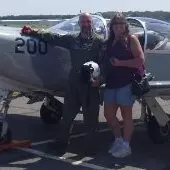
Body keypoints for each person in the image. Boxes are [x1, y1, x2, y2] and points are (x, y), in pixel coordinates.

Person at [21, 13, 104, 155]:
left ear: (92, 23)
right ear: (79, 23)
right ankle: (62, 144)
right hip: (73, 83)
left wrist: (101, 80)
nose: (85, 24)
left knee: (90, 119)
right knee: (67, 117)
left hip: (90, 85)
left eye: (88, 21)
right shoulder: (71, 39)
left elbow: (105, 63)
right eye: (83, 21)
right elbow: (52, 37)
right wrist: (33, 32)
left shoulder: (99, 41)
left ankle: (91, 148)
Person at [103, 12, 145, 158]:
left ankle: (126, 145)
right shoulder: (109, 42)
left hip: (126, 83)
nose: (119, 26)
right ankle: (118, 140)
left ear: (125, 26)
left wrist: (121, 63)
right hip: (111, 83)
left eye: (121, 24)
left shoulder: (131, 39)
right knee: (108, 114)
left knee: (126, 115)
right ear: (112, 26)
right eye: (116, 24)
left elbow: (140, 60)